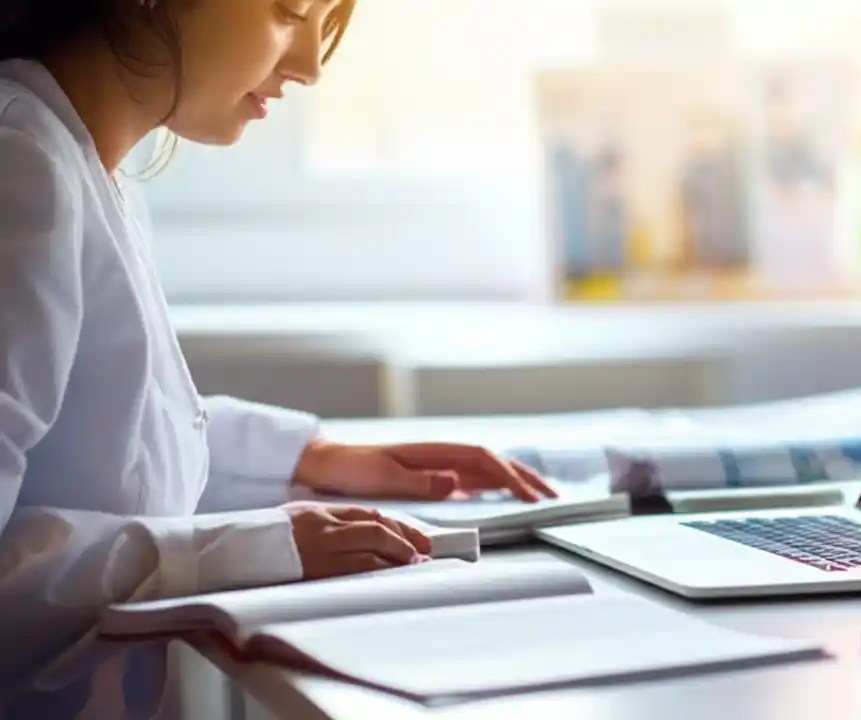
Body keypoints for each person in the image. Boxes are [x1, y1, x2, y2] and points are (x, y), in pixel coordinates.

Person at [0, 1, 556, 716]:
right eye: (289, 10)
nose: (311, 66)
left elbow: (100, 435)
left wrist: (312, 457)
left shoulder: (87, 163)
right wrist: (248, 549)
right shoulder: (22, 169)